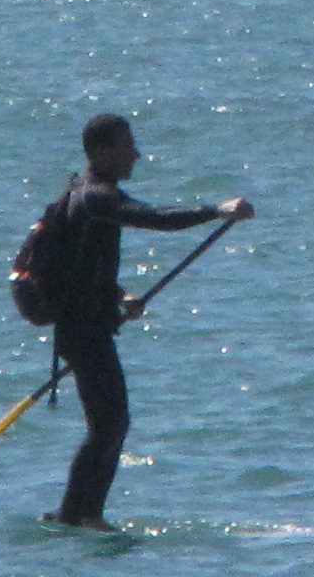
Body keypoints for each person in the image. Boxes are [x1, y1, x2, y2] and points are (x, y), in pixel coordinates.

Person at [47, 113, 254, 530]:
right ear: (102, 151)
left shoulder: (85, 195)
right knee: (110, 424)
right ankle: (81, 515)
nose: (136, 154)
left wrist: (120, 296)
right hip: (81, 329)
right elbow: (154, 217)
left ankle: (78, 513)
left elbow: (85, 266)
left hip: (85, 325)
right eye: (128, 145)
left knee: (110, 424)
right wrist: (215, 210)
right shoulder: (95, 197)